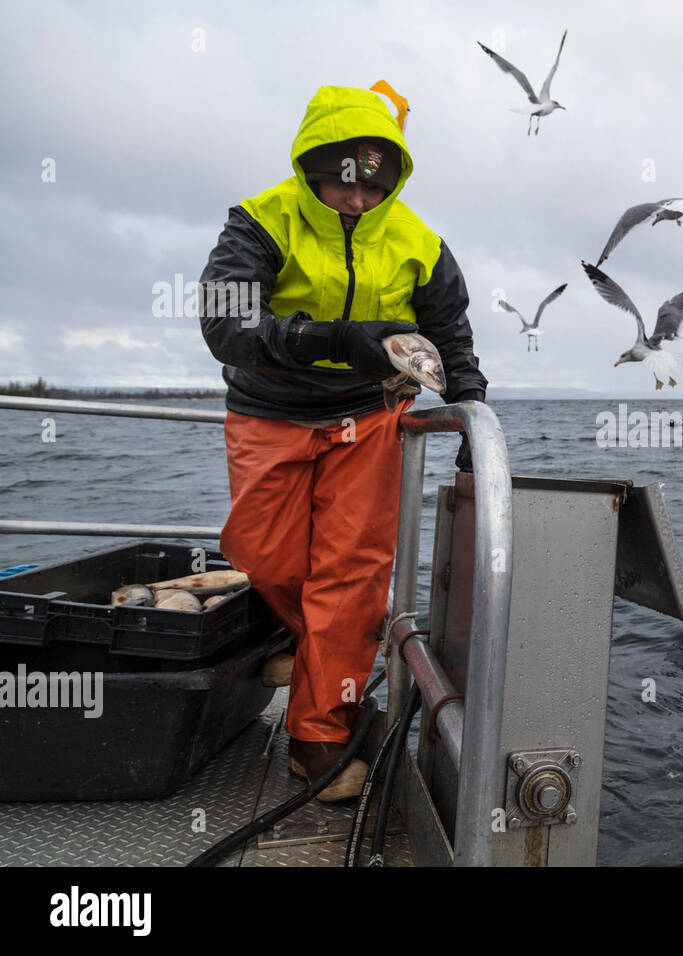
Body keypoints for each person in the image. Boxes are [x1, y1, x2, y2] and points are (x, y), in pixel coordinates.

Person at [199, 84, 487, 800]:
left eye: (375, 186)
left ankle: (319, 739)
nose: (358, 199)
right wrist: (330, 339)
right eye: (342, 182)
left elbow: (450, 335)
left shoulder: (422, 244)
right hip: (271, 411)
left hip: (371, 417)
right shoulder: (259, 220)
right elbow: (224, 323)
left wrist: (472, 413)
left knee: (352, 572)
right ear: (312, 166)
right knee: (263, 552)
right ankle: (300, 645)